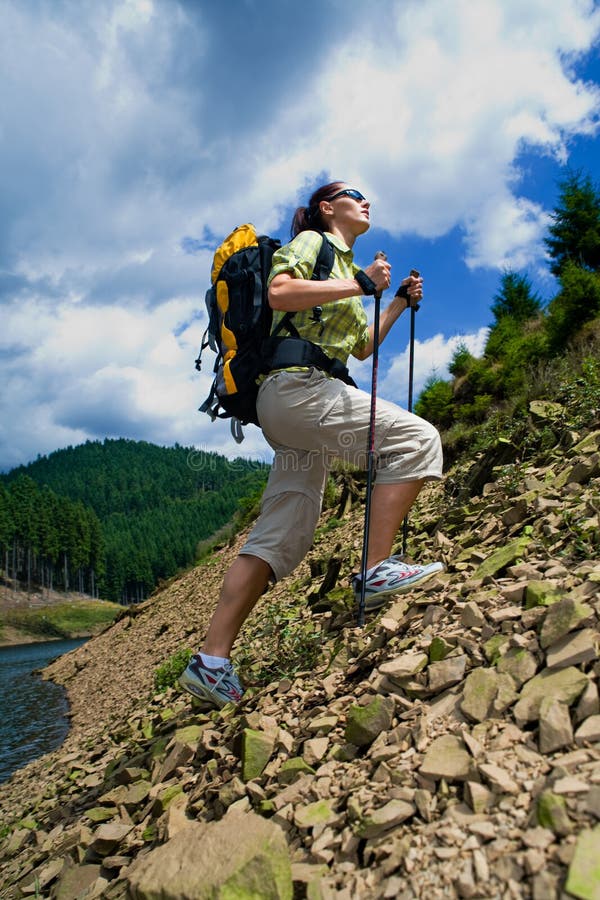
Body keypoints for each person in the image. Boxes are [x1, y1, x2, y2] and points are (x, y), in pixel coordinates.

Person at [180, 181, 444, 708]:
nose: (366, 200)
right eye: (354, 194)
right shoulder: (315, 245)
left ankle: (211, 662)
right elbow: (279, 291)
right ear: (328, 208)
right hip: (298, 389)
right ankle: (374, 571)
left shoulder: (344, 272)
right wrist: (361, 284)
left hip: (290, 410)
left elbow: (363, 349)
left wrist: (389, 301)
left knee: (284, 531)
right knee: (416, 440)